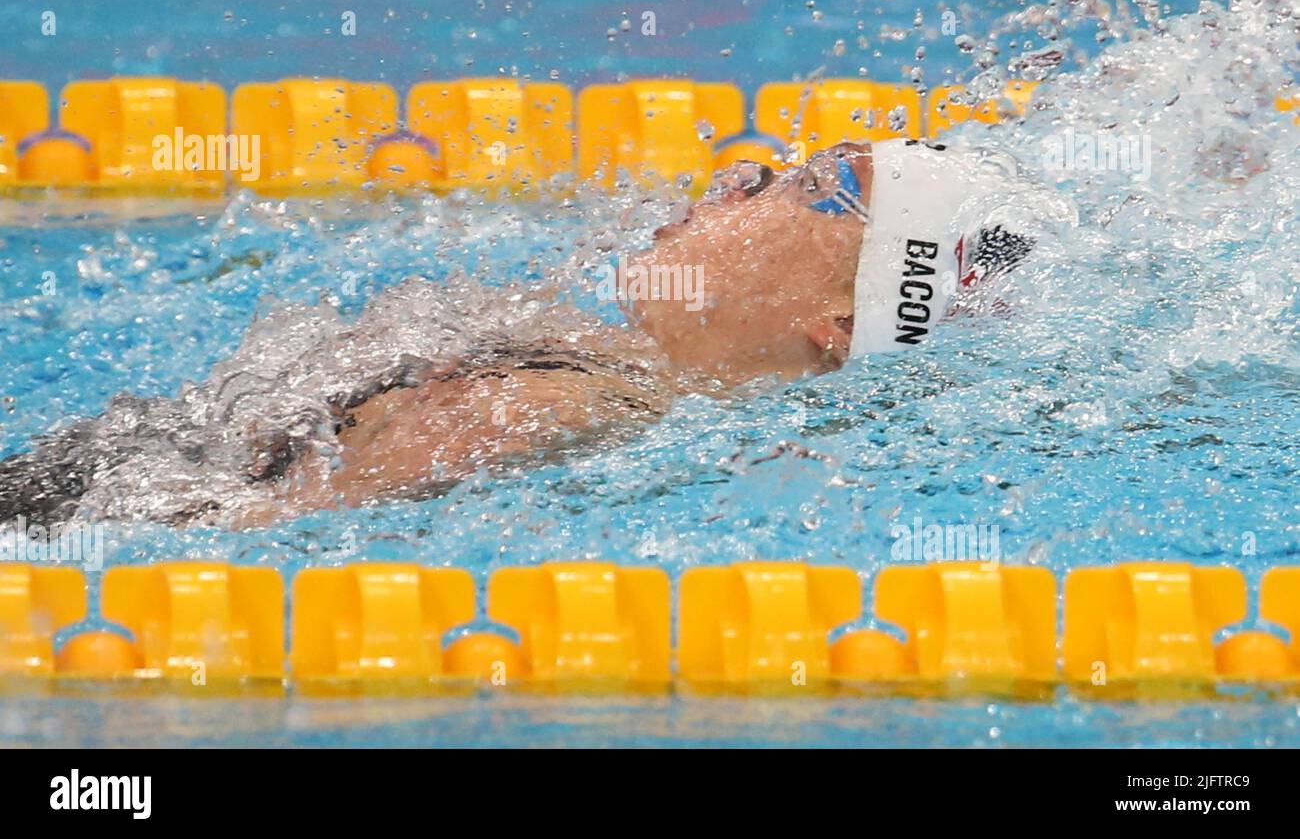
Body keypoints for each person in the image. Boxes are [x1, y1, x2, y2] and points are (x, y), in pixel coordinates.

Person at [0, 139, 1034, 526]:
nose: (736, 177)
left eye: (805, 189)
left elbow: (224, 529)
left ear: (837, 323)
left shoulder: (554, 406)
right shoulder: (600, 361)